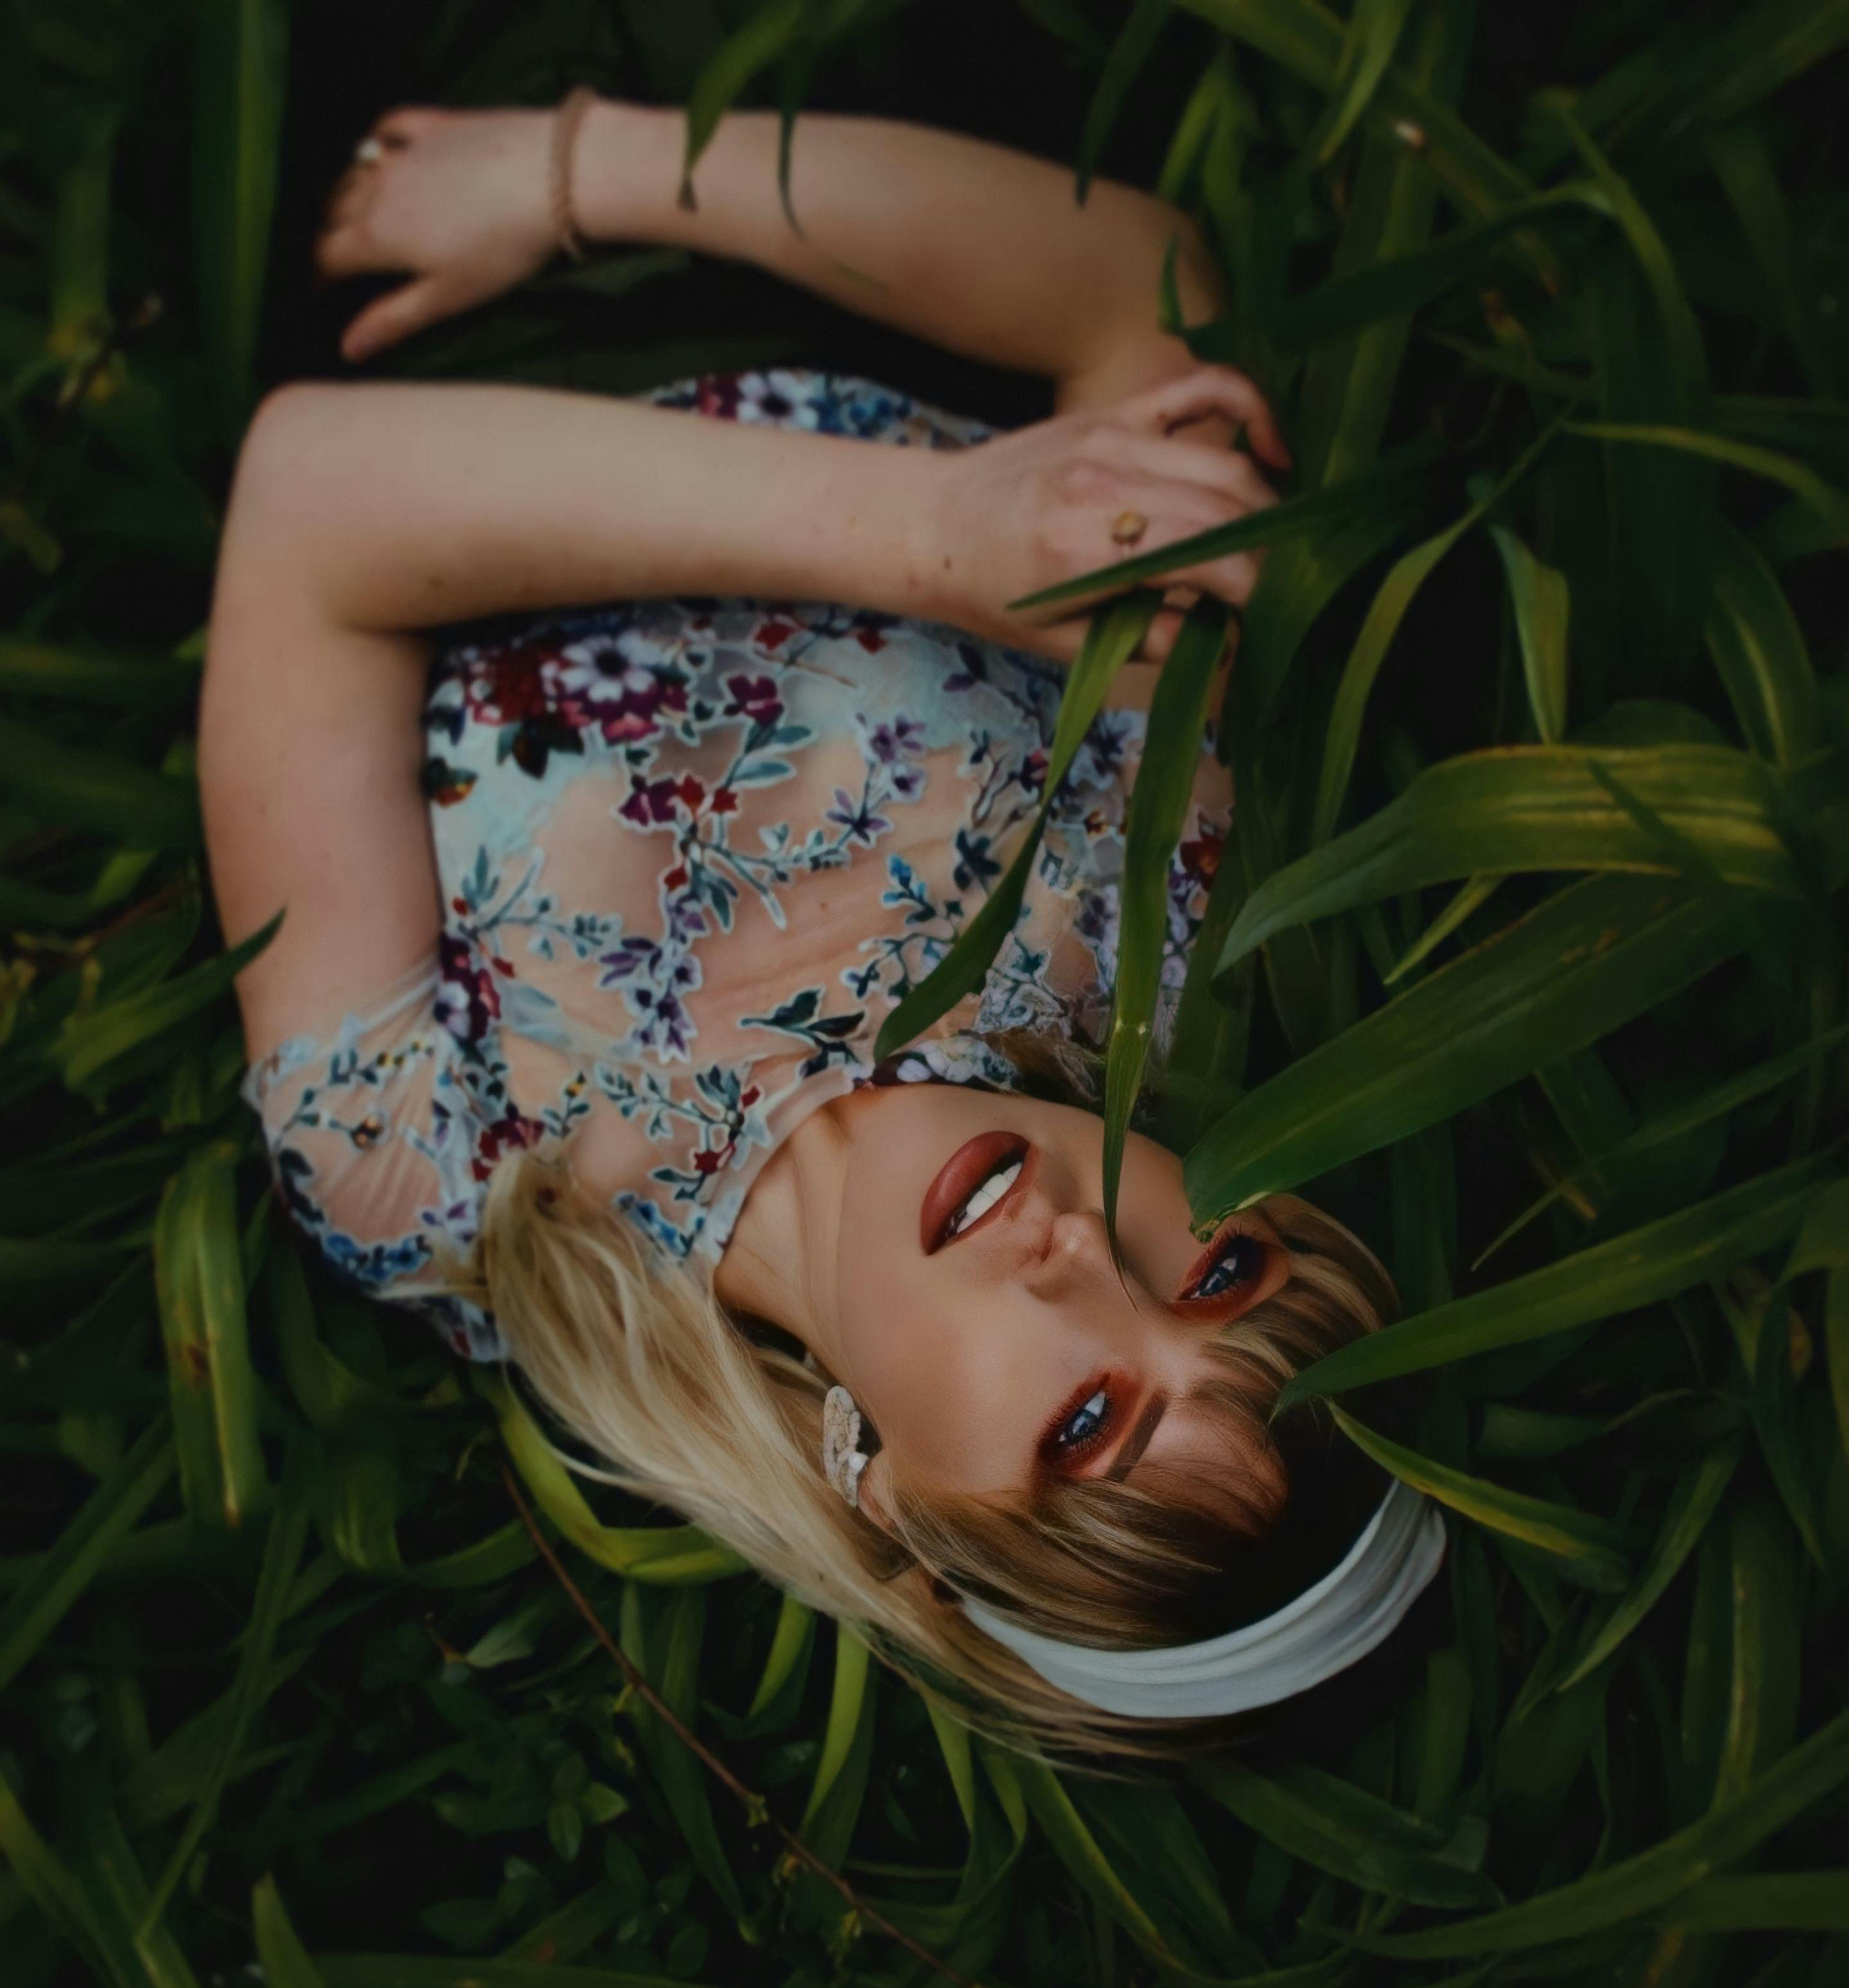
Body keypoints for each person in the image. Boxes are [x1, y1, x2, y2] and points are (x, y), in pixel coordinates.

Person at [199, 92, 1445, 1756]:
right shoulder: (1137, 892)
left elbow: (311, 508)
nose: (1087, 1258)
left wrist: (939, 543)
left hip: (393, 249)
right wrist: (597, 167)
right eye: (1221, 1272)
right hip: (789, 121)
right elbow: (1135, 280)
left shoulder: (445, 1179)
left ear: (902, 1517)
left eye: (1086, 1419)